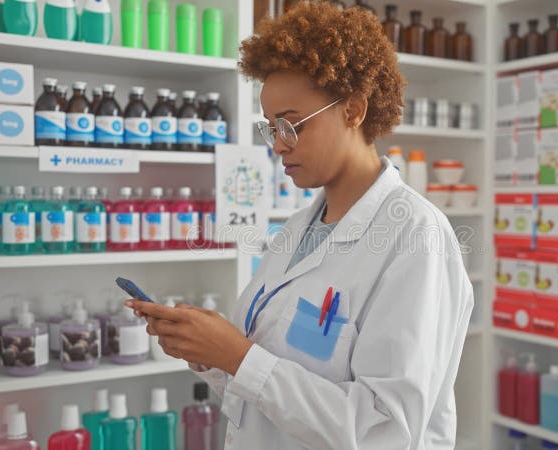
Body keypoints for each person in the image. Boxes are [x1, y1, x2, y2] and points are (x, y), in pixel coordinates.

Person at [125, 3, 474, 449]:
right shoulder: (295, 230)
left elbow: (385, 432)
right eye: (271, 129)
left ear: (353, 110)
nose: (279, 146)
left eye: (291, 125)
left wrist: (237, 356)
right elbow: (264, 381)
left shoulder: (417, 237)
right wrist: (209, 352)